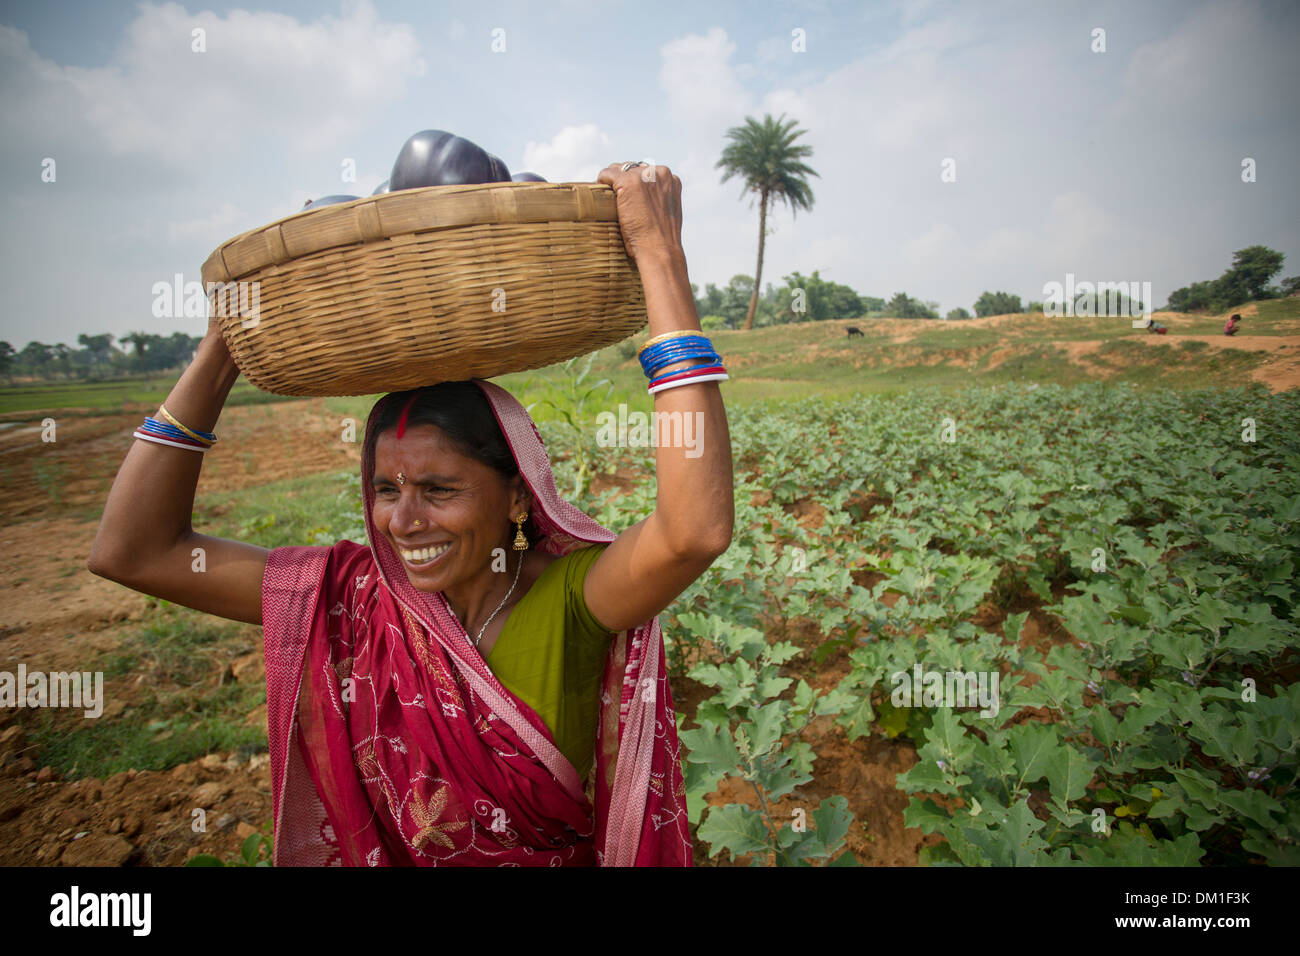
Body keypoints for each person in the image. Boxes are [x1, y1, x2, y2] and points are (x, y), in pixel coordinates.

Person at [87, 160, 734, 866]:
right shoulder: (350, 599)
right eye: (386, 490)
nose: (403, 521)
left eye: (439, 488)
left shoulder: (572, 599)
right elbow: (133, 552)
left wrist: (659, 256)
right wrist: (222, 347)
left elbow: (693, 530)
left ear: (519, 493)